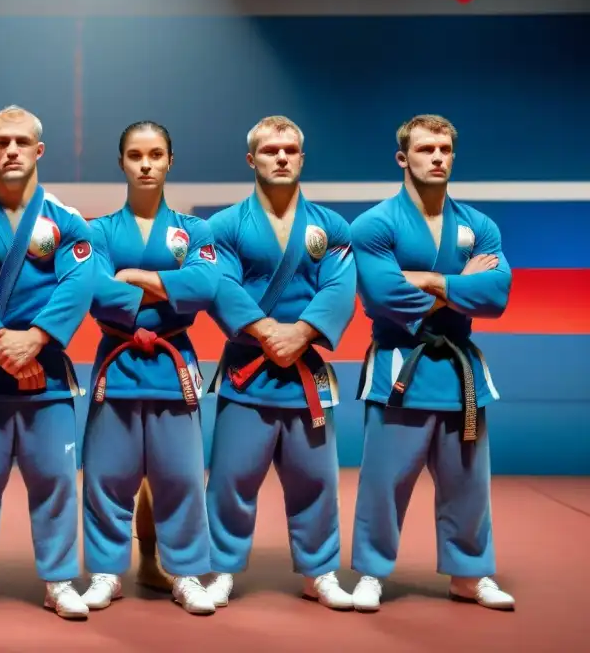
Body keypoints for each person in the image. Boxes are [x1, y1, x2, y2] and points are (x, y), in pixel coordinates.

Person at [348, 114, 515, 612]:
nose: (437, 157)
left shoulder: (479, 225)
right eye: (425, 149)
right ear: (403, 158)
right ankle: (373, 574)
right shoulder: (373, 224)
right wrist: (460, 282)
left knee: (468, 479)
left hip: (459, 370)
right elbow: (382, 296)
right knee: (384, 479)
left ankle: (469, 574)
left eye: (445, 149)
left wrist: (427, 280)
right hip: (402, 365)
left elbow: (497, 295)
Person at [0, 105, 95, 621]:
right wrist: (1, 341)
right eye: (1, 142)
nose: (11, 151)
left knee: (54, 479)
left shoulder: (67, 221)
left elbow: (77, 287)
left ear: (38, 150)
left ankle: (58, 580)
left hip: (47, 372)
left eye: (21, 142)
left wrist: (37, 339)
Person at [203, 115, 357, 610]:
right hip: (248, 371)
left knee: (316, 479)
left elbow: (340, 287)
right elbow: (220, 285)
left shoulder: (331, 226)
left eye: (290, 149)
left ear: (302, 158)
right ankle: (223, 568)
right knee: (231, 478)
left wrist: (302, 332)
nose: (282, 157)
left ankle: (320, 572)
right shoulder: (224, 225)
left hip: (304, 373)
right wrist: (268, 332)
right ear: (252, 160)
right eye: (270, 150)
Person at [80, 121, 219, 615]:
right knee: (106, 475)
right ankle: (104, 572)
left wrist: (134, 276)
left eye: (155, 154)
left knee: (179, 475)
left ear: (169, 161)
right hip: (116, 366)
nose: (145, 164)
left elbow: (205, 287)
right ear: (121, 162)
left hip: (171, 365)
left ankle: (183, 571)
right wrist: (168, 287)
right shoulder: (95, 231)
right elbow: (96, 292)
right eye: (135, 155)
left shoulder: (195, 230)